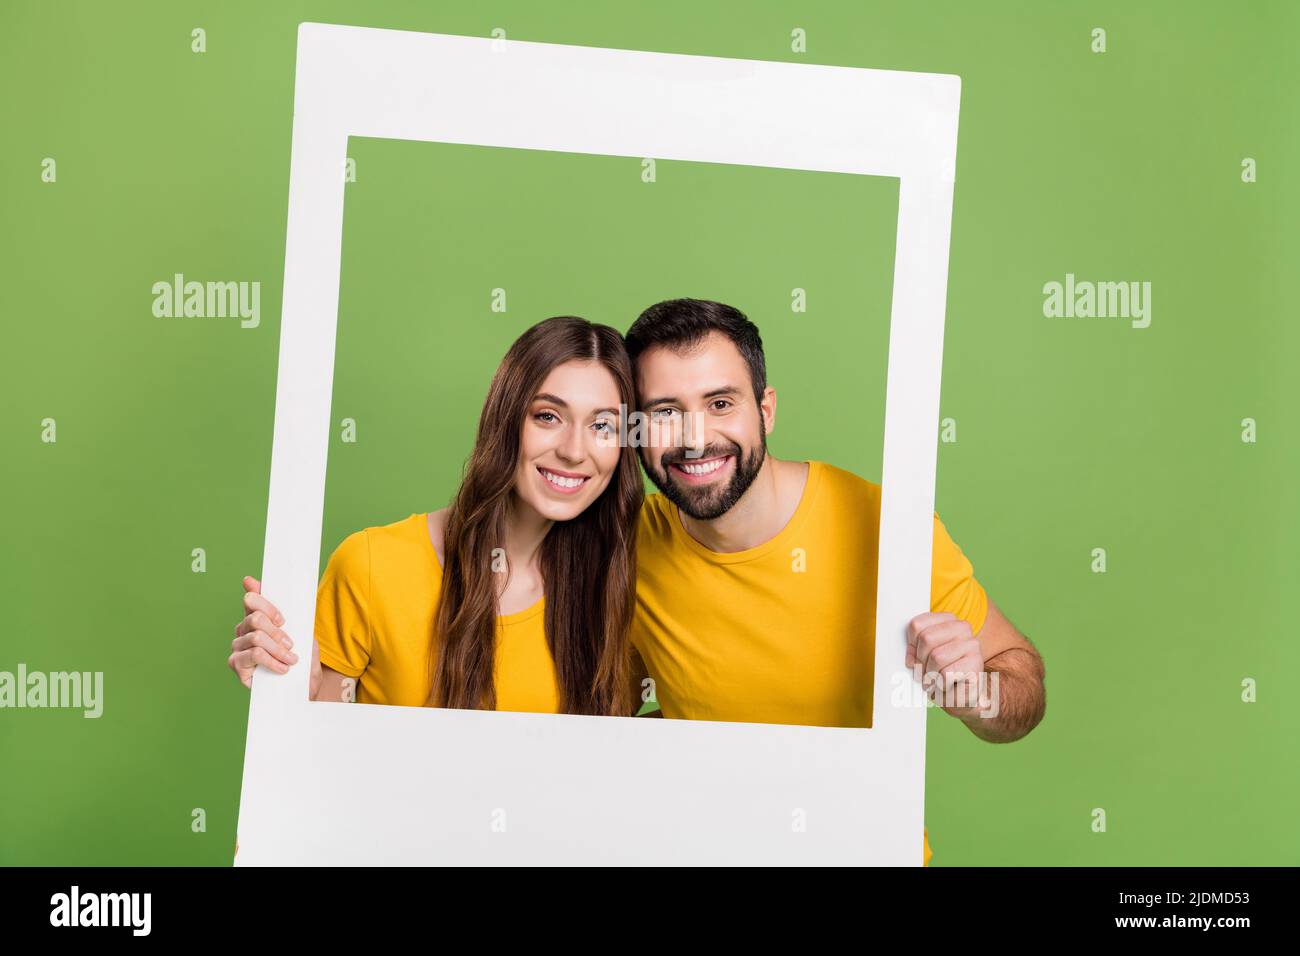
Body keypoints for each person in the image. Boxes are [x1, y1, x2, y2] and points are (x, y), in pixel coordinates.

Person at [623, 298, 1048, 865]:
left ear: (765, 409)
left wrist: (978, 694)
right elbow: (599, 708)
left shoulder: (886, 528)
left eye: (720, 403)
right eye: (664, 412)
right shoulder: (626, 550)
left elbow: (1022, 683)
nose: (695, 438)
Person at [229, 315, 644, 715]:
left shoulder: (622, 590)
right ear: (504, 421)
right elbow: (320, 752)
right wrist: (290, 693)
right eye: (548, 417)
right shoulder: (373, 565)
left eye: (603, 426)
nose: (573, 450)